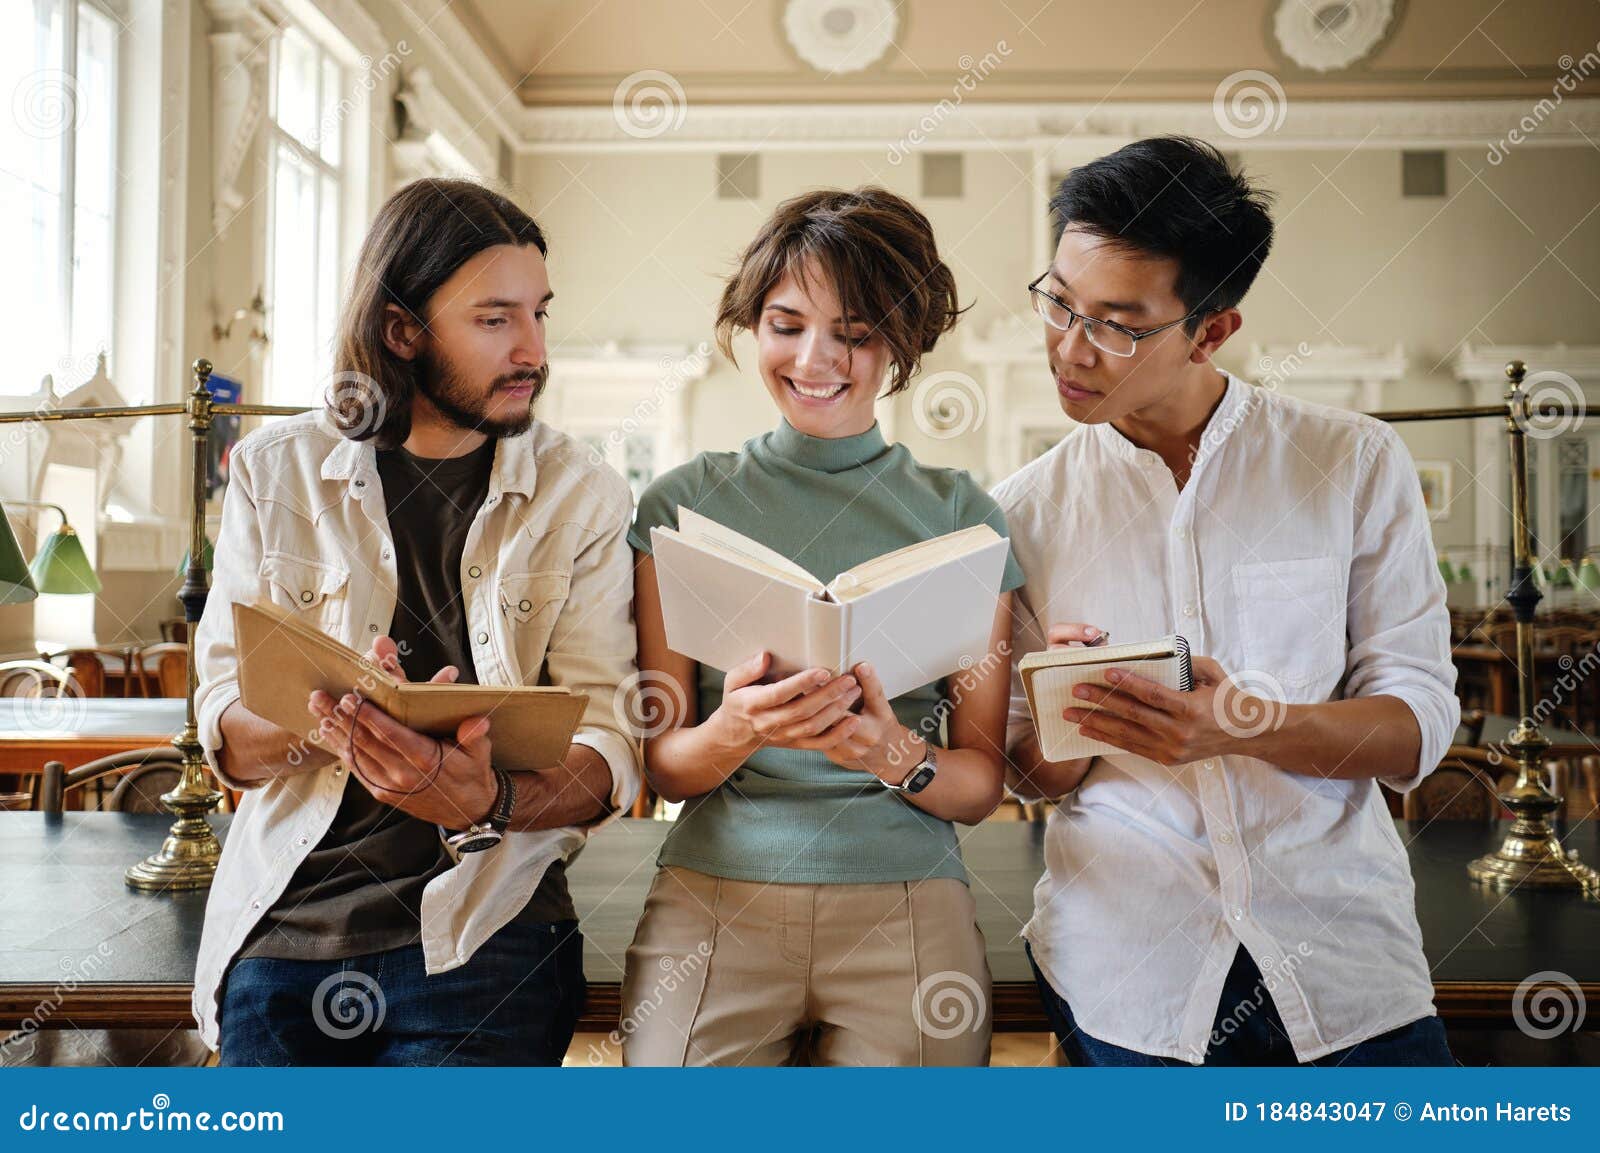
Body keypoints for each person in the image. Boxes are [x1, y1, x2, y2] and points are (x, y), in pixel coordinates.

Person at [996, 137, 1458, 1066]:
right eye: (1059, 303)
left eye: (1118, 325)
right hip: (1126, 966)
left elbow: (1417, 726)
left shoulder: (1353, 462)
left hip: (1342, 959)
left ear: (1211, 331)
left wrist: (1240, 724)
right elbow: (1028, 774)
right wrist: (1065, 713)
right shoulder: (1023, 510)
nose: (1070, 349)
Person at [191, 178, 641, 1065]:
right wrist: (339, 722)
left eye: (540, 314)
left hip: (489, 927)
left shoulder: (582, 493)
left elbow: (612, 751)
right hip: (282, 931)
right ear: (402, 330)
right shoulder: (274, 472)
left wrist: (490, 797)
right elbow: (228, 738)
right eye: (495, 319)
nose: (533, 350)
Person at [621, 187, 1024, 1066]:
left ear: (900, 345)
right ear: (752, 327)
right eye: (784, 322)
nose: (814, 357)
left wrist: (886, 750)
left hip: (908, 893)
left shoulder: (963, 516)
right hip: (715, 891)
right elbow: (665, 765)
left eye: (853, 331)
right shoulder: (680, 505)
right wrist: (737, 728)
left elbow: (981, 780)